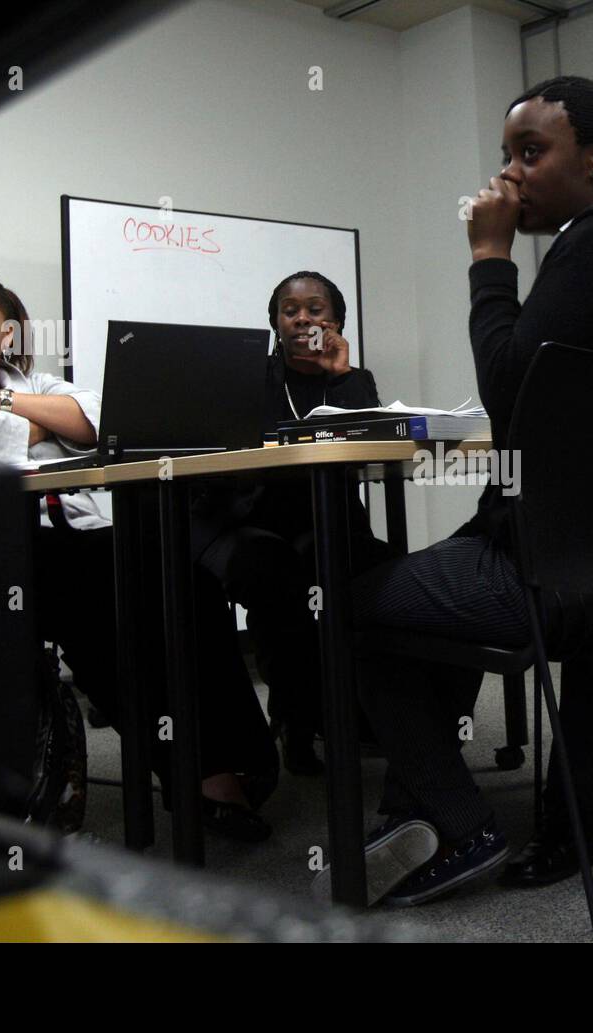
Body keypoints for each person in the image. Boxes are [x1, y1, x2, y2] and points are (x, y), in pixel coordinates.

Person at [324, 76, 593, 906]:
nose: (510, 175)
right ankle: (555, 824)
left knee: (352, 605)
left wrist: (488, 258)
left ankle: (458, 821)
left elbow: (508, 396)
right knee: (437, 581)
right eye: (506, 155)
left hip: (557, 569)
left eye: (530, 153)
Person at [0, 271, 280, 841]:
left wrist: (12, 401)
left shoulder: (40, 382)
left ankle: (234, 758)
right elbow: (6, 441)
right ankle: (201, 774)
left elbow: (97, 424)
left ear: (11, 332)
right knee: (105, 608)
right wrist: (45, 426)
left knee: (184, 576)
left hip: (80, 541)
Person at [191, 271, 393, 775]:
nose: (303, 317)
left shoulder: (354, 379)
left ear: (337, 321)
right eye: (290, 310)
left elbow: (363, 449)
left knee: (389, 570)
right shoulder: (247, 378)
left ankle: (378, 714)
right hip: (249, 519)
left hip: (327, 521)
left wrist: (341, 374)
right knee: (277, 575)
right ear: (276, 323)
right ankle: (298, 721)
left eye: (316, 309)